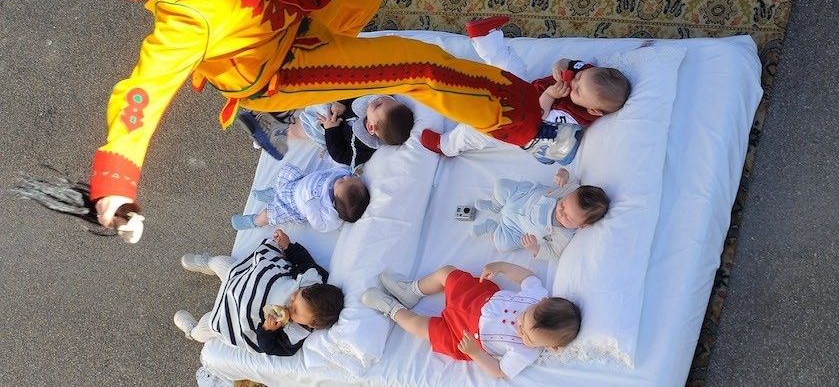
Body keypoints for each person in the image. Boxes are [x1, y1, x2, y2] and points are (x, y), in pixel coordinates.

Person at [92, 0, 580, 229]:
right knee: (421, 67)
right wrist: (113, 188)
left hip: (289, 14)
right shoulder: (187, 18)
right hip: (281, 68)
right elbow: (142, 94)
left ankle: (347, 58)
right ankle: (528, 128)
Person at [420, 16, 632, 164]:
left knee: (477, 131)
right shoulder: (588, 74)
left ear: (593, 110)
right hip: (524, 91)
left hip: (516, 121)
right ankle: (485, 39)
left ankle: (445, 145)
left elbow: (538, 118)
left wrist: (549, 94)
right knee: (510, 68)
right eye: (577, 78)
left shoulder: (572, 120)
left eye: (576, 91)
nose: (572, 83)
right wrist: (560, 66)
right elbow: (568, 63)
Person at [361, 262, 581, 379]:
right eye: (524, 317)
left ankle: (392, 309)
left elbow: (499, 370)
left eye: (527, 336)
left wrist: (475, 353)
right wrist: (502, 266)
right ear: (542, 301)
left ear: (550, 347)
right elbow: (527, 277)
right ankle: (412, 290)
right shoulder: (535, 295)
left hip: (465, 336)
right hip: (476, 298)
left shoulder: (525, 354)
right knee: (448, 273)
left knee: (422, 327)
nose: (519, 327)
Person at [173, 229, 344, 356]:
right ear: (308, 288)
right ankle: (209, 262)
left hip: (240, 313)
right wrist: (288, 246)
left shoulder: (295, 333)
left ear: (311, 324)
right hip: (249, 280)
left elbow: (271, 348)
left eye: (296, 311)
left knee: (211, 325)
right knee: (228, 266)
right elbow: (303, 261)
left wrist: (267, 330)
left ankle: (193, 332)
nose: (290, 303)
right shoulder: (313, 278)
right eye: (295, 296)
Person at [471, 168, 609, 259]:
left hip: (517, 228)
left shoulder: (564, 234)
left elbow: (554, 253)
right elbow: (572, 179)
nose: (561, 212)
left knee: (502, 244)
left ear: (581, 225)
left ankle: (491, 226)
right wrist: (563, 174)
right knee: (501, 185)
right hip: (521, 197)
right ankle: (495, 206)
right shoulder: (572, 190)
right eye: (563, 204)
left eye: (568, 217)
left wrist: (535, 248)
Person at [231, 165, 369, 232]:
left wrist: (311, 208)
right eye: (351, 178)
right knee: (286, 171)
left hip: (293, 205)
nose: (345, 177)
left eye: (342, 182)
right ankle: (275, 193)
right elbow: (337, 169)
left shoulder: (330, 213)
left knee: (270, 214)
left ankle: (254, 221)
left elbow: (320, 226)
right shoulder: (343, 181)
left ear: (334, 202)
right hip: (298, 181)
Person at [288, 95, 415, 167]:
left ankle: (282, 128)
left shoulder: (362, 147)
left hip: (327, 128)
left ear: (371, 128)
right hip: (333, 108)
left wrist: (331, 129)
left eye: (378, 105)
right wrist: (342, 103)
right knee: (317, 95)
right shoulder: (376, 107)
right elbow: (355, 96)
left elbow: (341, 155)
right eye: (385, 99)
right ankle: (287, 101)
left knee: (302, 127)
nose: (378, 99)